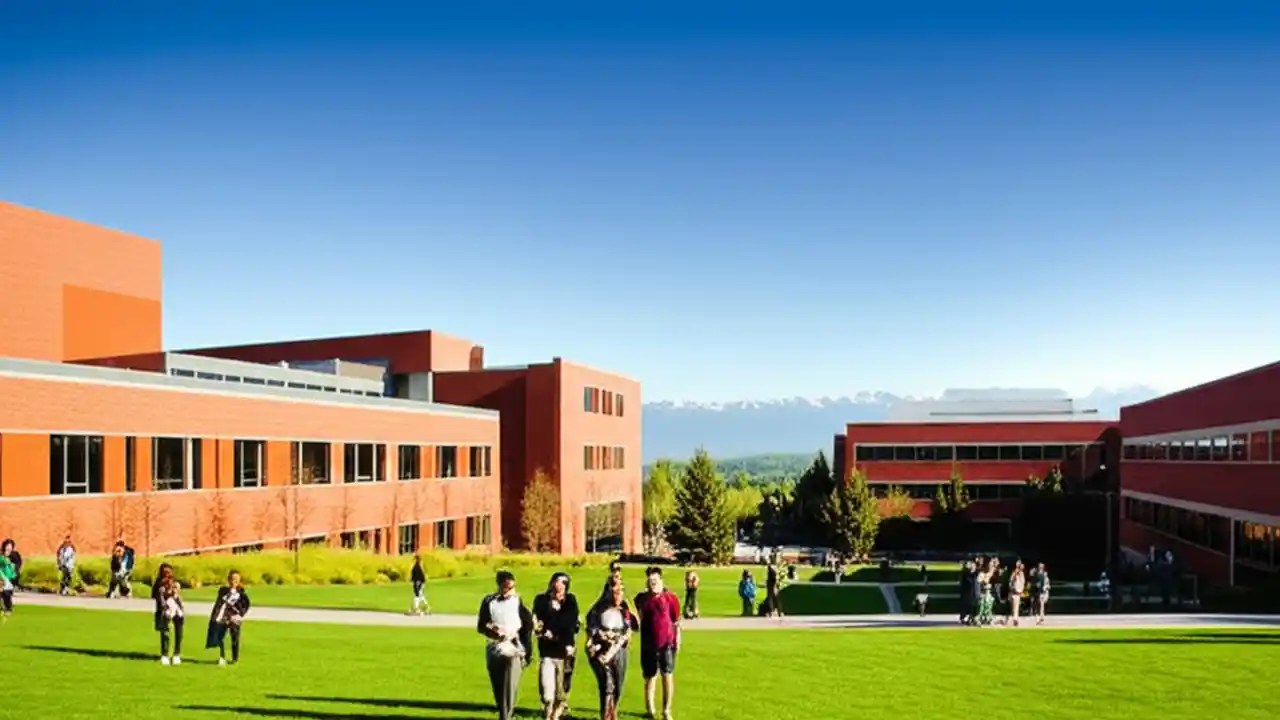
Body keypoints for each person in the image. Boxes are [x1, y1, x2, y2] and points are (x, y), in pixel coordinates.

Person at [477, 570, 534, 720]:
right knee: (498, 687)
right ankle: (504, 710)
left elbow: (528, 626)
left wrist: (527, 651)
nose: (511, 591)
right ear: (499, 585)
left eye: (513, 587)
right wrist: (493, 630)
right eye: (507, 587)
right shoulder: (489, 601)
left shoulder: (518, 601)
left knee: (510, 684)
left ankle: (506, 716)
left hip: (514, 648)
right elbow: (481, 626)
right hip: (494, 646)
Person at [634, 567, 680, 720]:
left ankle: (666, 710)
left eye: (655, 581)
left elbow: (676, 620)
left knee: (667, 675)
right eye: (650, 581)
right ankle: (650, 708)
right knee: (650, 676)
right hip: (648, 643)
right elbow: (637, 616)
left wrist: (678, 638)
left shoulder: (670, 598)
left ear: (661, 580)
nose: (652, 584)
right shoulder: (641, 598)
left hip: (667, 642)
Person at [532, 572, 580, 720]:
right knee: (547, 694)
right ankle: (548, 714)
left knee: (562, 692)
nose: (559, 585)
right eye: (556, 582)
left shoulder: (570, 601)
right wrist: (541, 630)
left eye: (562, 583)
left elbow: (570, 622)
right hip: (547, 651)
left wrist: (552, 631)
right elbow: (536, 621)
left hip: (565, 650)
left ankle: (555, 715)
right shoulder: (541, 600)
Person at [586, 580, 636, 720]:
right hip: (601, 650)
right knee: (608, 683)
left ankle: (613, 711)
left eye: (620, 592)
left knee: (618, 684)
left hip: (619, 649)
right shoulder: (598, 609)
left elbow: (632, 626)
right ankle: (606, 715)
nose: (617, 596)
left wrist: (621, 637)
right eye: (615, 592)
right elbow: (591, 628)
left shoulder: (625, 609)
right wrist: (601, 636)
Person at [206, 570, 251, 665]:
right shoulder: (223, 591)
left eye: (235, 579)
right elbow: (219, 604)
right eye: (231, 579)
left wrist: (240, 615)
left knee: (235, 638)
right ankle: (222, 656)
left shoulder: (242, 594)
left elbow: (246, 606)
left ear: (239, 581)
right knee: (220, 637)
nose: (233, 581)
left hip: (234, 619)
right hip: (223, 618)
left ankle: (235, 658)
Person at [152, 563, 186, 665]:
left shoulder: (175, 583)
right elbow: (154, 596)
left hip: (176, 609)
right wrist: (162, 594)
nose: (167, 574)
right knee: (165, 632)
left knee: (179, 632)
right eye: (165, 572)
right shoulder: (158, 584)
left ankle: (176, 654)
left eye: (169, 572)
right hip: (165, 610)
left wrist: (176, 592)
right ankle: (165, 654)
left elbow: (178, 597)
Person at [1008, 562, 1026, 627]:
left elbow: (1023, 583)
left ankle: (1015, 619)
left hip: (1018, 593)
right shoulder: (1014, 573)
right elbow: (1011, 581)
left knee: (1016, 607)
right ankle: (1014, 619)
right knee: (1013, 607)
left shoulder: (1022, 574)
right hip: (1013, 592)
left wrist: (1021, 591)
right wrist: (1015, 574)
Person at [958, 561, 975, 625]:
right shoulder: (965, 573)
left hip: (969, 591)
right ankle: (963, 617)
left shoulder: (970, 574)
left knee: (969, 605)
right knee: (965, 605)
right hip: (966, 591)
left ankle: (968, 617)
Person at [0, 551, 16, 617]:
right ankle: (5, 608)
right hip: (4, 580)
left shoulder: (6, 561)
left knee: (5, 593)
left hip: (5, 580)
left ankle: (8, 609)